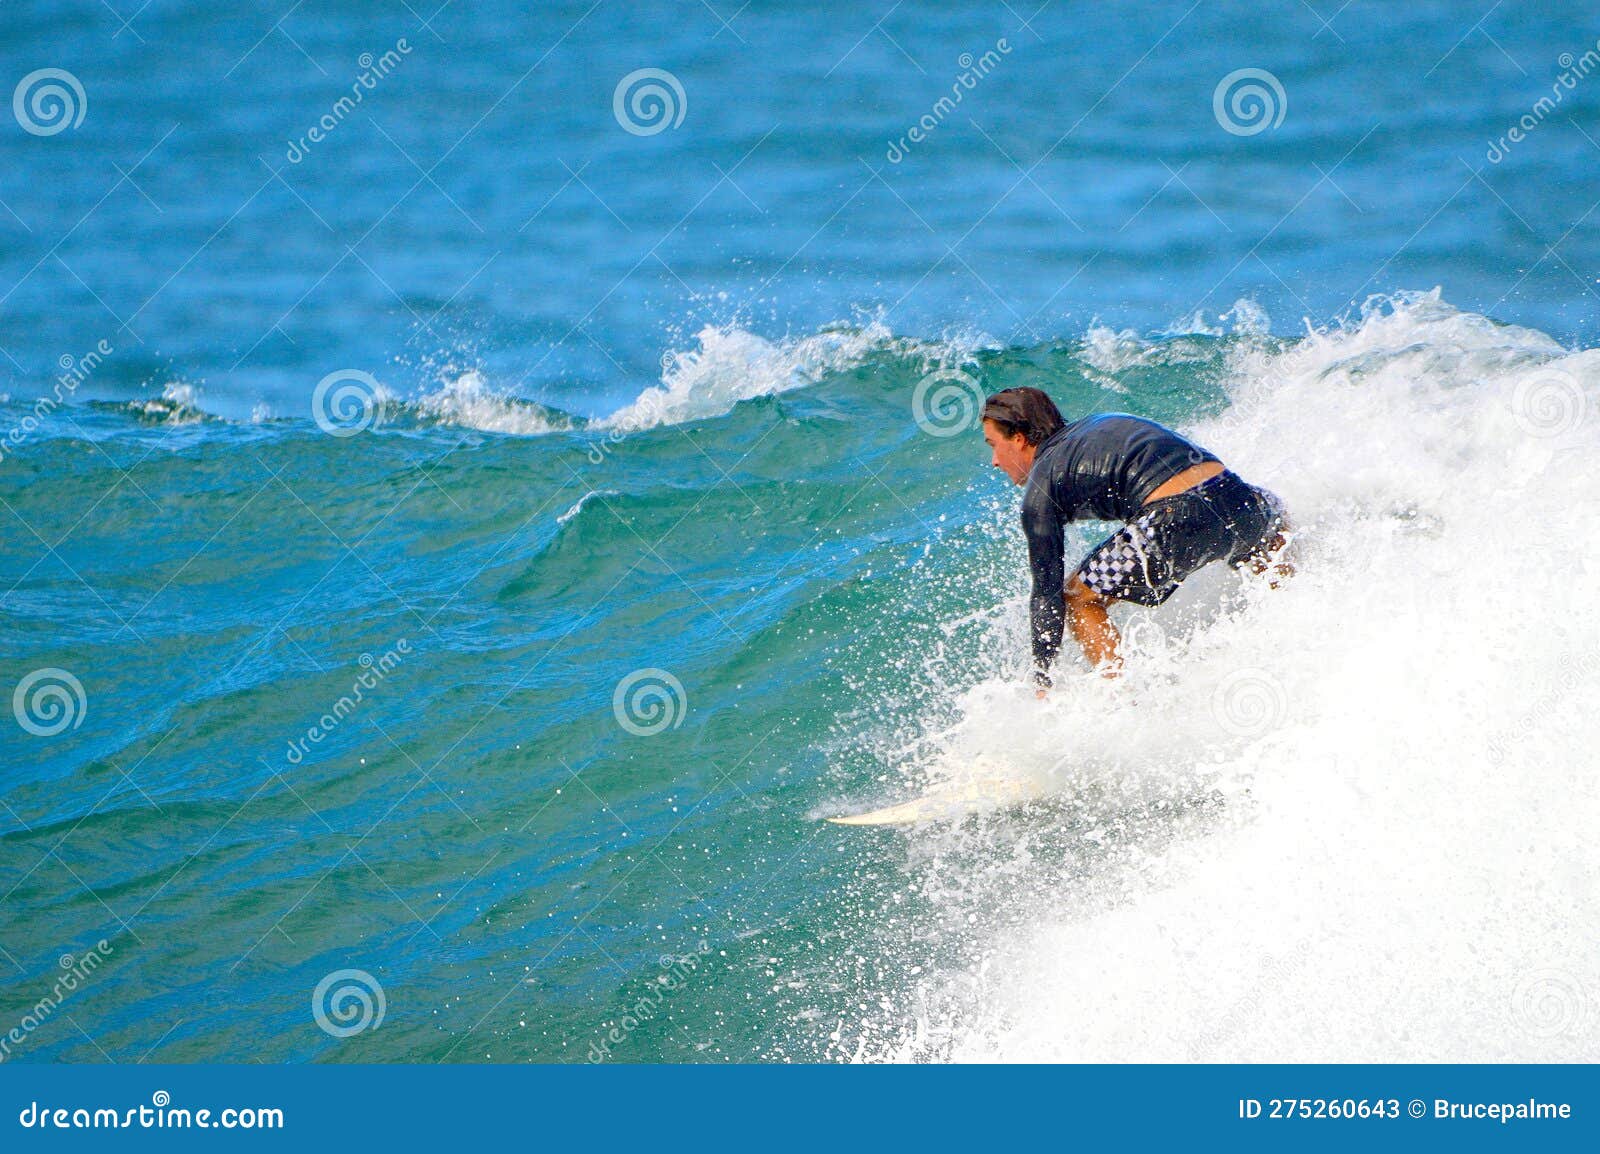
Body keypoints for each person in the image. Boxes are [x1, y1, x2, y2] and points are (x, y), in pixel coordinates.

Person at [980, 386, 1291, 696]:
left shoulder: (1040, 487)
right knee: (1265, 548)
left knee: (1077, 598)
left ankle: (1123, 700)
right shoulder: (1101, 422)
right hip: (1243, 499)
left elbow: (1046, 594)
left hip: (1175, 516)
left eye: (994, 444)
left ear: (1018, 438)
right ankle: (1291, 628)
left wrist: (1042, 676)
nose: (995, 461)